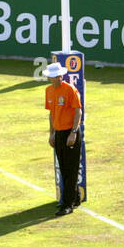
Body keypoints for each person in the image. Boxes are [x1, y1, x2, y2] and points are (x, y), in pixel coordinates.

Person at [43, 61, 83, 216]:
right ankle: (75, 198)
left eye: (58, 76)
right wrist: (52, 133)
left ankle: (67, 204)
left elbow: (78, 112)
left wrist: (73, 132)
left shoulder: (70, 90)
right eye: (54, 77)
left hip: (70, 132)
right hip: (59, 133)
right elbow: (52, 113)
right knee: (64, 168)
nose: (57, 79)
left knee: (71, 168)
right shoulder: (49, 91)